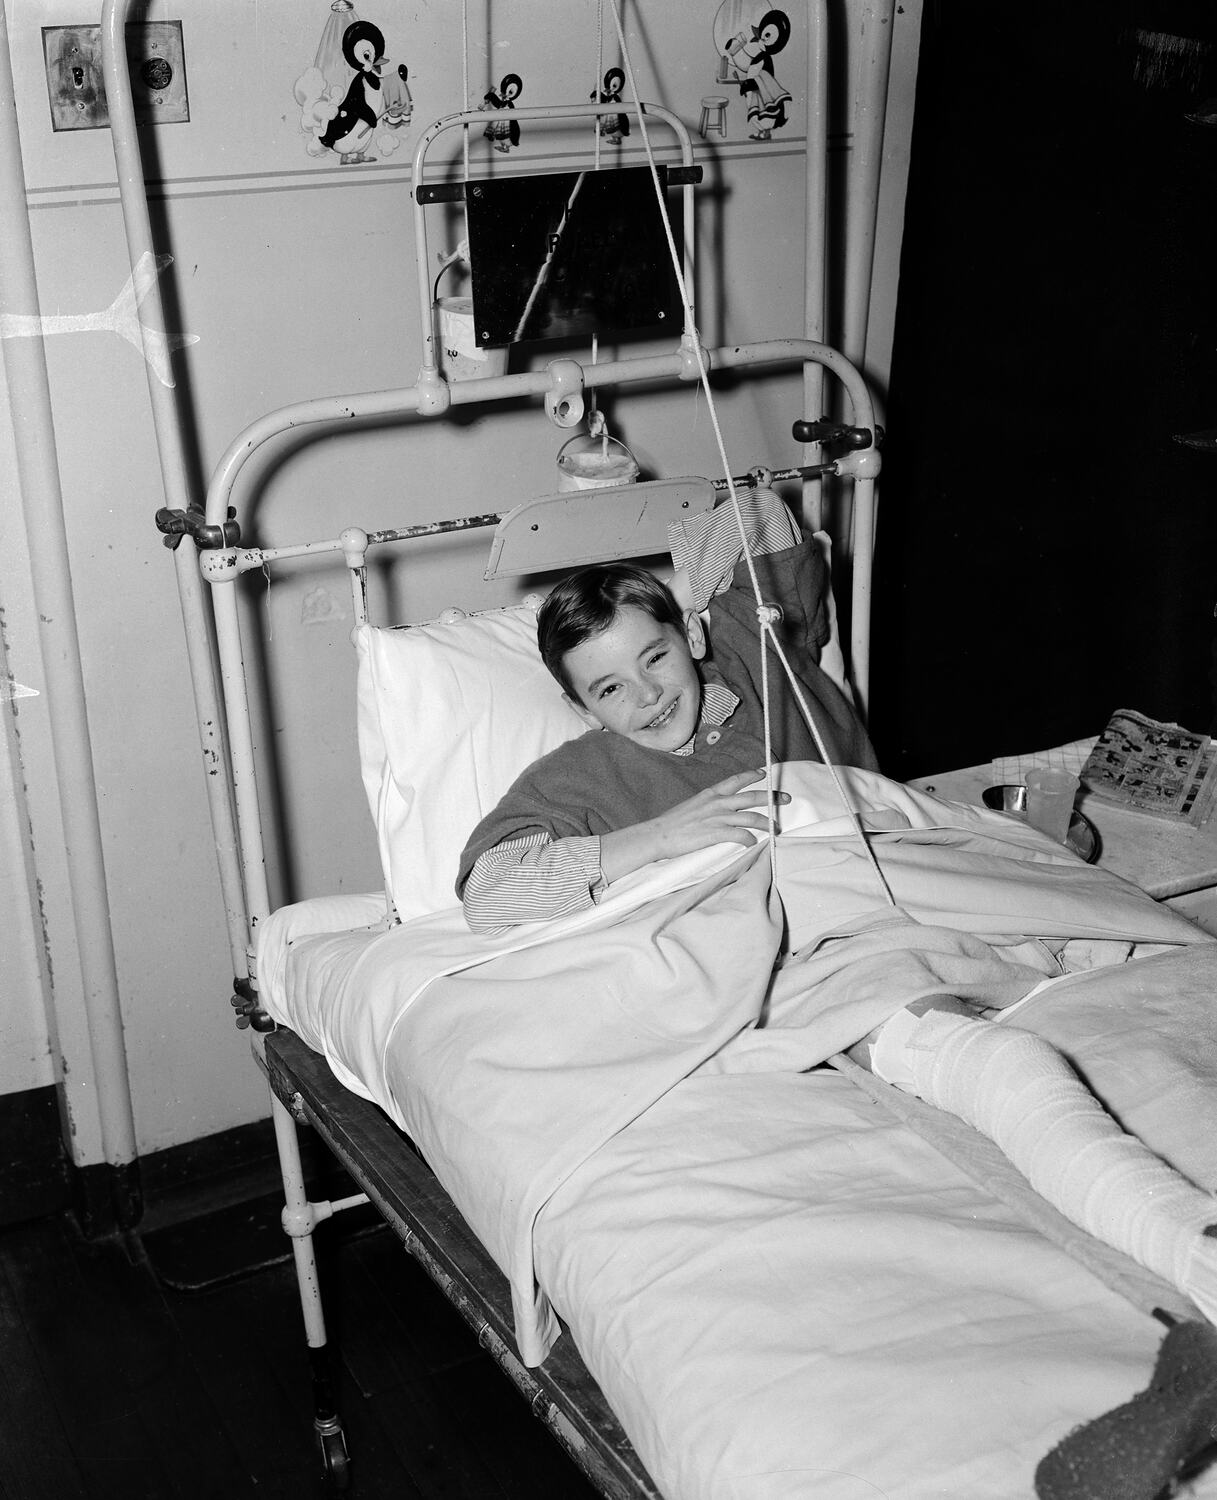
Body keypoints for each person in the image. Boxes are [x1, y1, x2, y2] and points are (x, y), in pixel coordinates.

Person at [457, 483, 878, 933]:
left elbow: (758, 512)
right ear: (583, 710)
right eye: (609, 690)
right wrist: (659, 837)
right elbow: (488, 895)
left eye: (655, 658)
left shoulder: (750, 647)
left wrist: (669, 607)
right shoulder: (578, 776)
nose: (648, 694)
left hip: (874, 875)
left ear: (693, 637)